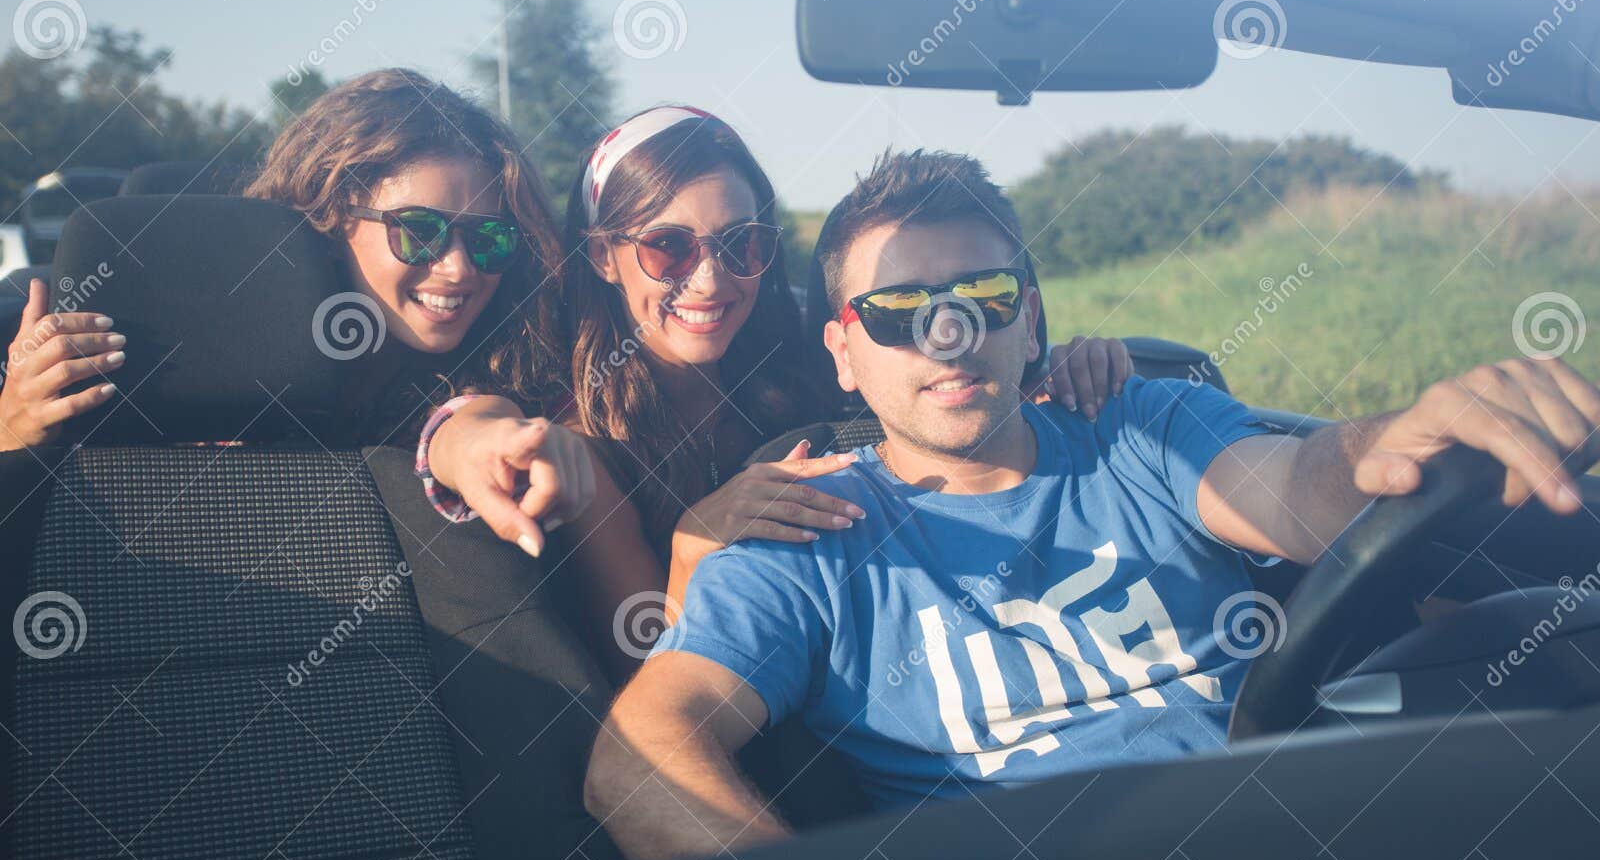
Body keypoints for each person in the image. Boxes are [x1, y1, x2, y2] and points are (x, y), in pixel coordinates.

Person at [583, 147, 1600, 860]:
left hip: (1303, 857)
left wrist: (1395, 435)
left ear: (1029, 317)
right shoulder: (804, 529)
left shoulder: (1140, 429)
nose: (946, 336)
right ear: (841, 352)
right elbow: (639, 761)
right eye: (897, 313)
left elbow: (1301, 487)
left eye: (980, 296)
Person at [414, 106, 1133, 681]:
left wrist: (1057, 368)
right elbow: (644, 666)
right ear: (603, 255)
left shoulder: (803, 365)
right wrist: (698, 542)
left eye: (742, 245)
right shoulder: (590, 438)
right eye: (668, 247)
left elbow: (940, 395)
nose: (710, 280)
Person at [0, 68, 595, 539]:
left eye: (489, 239)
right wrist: (15, 432)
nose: (460, 267)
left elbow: (462, 426)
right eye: (420, 231)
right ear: (329, 220)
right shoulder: (154, 374)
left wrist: (486, 445)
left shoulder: (517, 375)